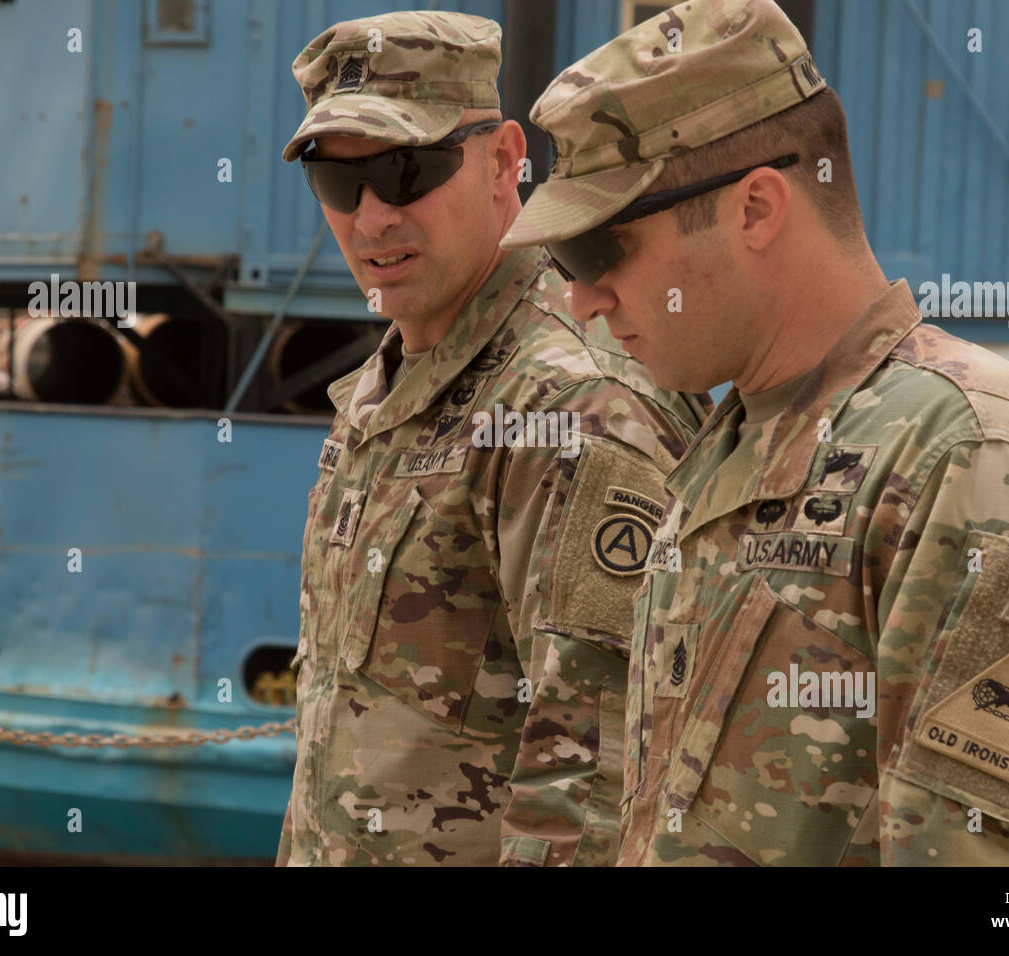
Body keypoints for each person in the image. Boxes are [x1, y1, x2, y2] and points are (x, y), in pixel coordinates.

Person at [502, 0, 1009, 865]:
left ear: (757, 209)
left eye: (598, 252)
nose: (580, 299)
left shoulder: (972, 460)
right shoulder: (726, 449)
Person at [274, 9, 710, 867]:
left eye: (408, 170)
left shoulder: (570, 410)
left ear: (507, 159)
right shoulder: (388, 384)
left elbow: (594, 788)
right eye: (337, 183)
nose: (371, 220)